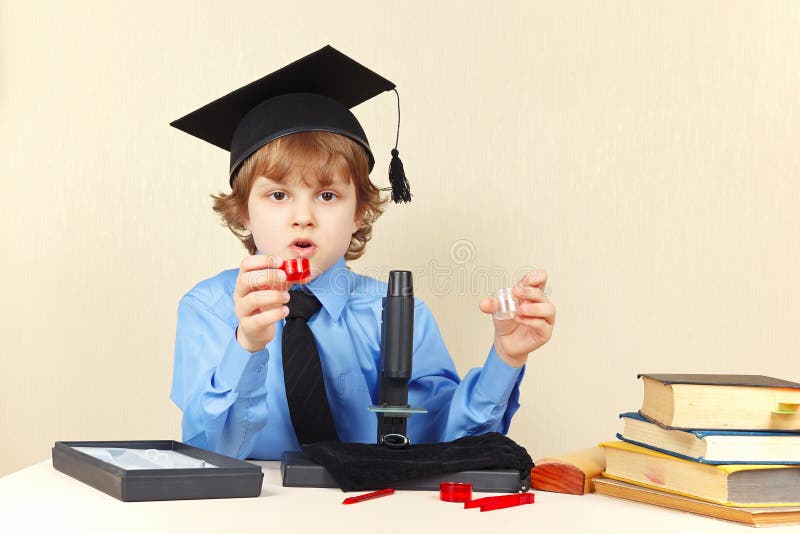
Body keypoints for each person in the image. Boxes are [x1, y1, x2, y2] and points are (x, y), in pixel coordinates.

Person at [169, 46, 555, 460]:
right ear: (244, 212)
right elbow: (207, 453)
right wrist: (246, 344)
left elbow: (451, 447)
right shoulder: (208, 310)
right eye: (278, 195)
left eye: (328, 195)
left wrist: (505, 358)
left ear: (359, 213)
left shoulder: (397, 316)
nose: (303, 216)